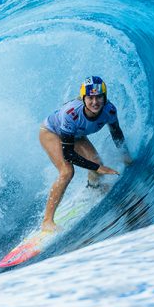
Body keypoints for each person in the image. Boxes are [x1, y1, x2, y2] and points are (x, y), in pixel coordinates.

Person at [39, 76, 132, 232]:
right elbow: (68, 154)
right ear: (83, 98)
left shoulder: (109, 110)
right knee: (67, 171)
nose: (95, 102)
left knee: (97, 163)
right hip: (51, 132)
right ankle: (47, 222)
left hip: (75, 135)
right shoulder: (71, 114)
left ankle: (93, 187)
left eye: (99, 97)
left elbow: (116, 133)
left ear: (105, 97)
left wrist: (126, 156)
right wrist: (98, 168)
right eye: (90, 98)